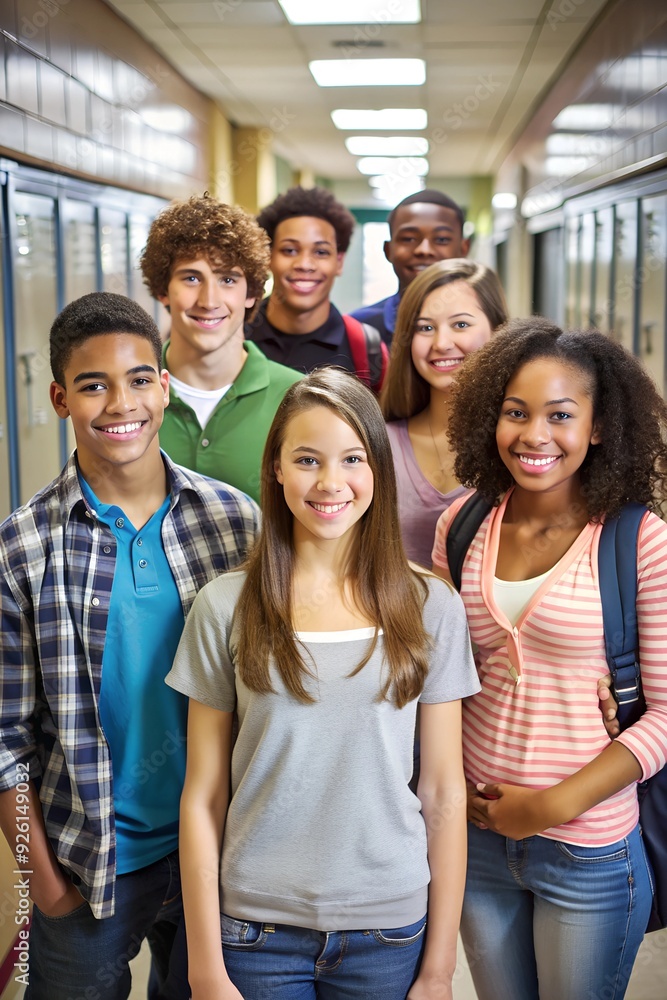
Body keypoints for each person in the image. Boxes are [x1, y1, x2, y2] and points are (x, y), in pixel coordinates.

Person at [166, 368, 480, 1000]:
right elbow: (203, 797)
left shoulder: (429, 606)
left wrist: (440, 968)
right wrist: (205, 966)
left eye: (352, 459)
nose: (330, 482)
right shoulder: (225, 607)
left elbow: (444, 791)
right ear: (277, 468)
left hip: (388, 928)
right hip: (254, 930)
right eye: (307, 459)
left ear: (378, 470)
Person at [0, 292, 260, 1000]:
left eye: (140, 378)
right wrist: (40, 879)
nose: (121, 403)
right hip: (90, 859)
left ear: (165, 386)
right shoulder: (23, 548)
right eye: (93, 385)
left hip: (220, 850)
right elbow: (4, 739)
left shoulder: (234, 524)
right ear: (60, 397)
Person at [431, 318, 667, 1000]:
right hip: (475, 843)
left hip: (587, 847)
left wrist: (551, 805)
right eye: (515, 413)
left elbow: (663, 717)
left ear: (597, 427)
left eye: (560, 415)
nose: (534, 435)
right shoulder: (463, 523)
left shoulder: (637, 540)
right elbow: (450, 679)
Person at [140, 193, 300, 503]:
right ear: (163, 290)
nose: (209, 300)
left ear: (251, 292)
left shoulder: (297, 398)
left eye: (227, 279)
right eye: (191, 278)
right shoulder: (130, 393)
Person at [381, 259, 508, 568]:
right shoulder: (377, 442)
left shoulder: (522, 443)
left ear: (498, 331)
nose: (440, 343)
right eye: (425, 328)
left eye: (460, 325)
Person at [245, 186, 388, 391]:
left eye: (321, 252)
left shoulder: (366, 348)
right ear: (268, 256)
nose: (305, 264)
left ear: (339, 262)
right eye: (290, 250)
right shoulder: (236, 332)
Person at [351, 190, 471, 347]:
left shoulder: (489, 326)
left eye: (441, 239)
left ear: (464, 249)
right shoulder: (357, 328)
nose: (424, 250)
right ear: (388, 250)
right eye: (408, 239)